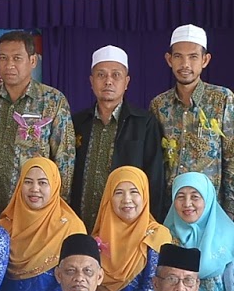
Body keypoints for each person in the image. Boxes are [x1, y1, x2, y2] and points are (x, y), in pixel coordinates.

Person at [0, 30, 75, 217]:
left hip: (31, 210)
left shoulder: (52, 101)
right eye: (3, 58)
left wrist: (57, 207)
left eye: (17, 58)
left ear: (32, 61)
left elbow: (64, 160)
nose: (9, 65)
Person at [151, 25, 234, 220]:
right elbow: (154, 162)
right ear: (169, 60)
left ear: (205, 60)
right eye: (178, 56)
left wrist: (230, 210)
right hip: (170, 211)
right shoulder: (159, 105)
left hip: (212, 209)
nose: (185, 64)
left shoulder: (222, 98)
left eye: (193, 57)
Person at [70, 45, 168, 223]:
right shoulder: (77, 122)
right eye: (101, 75)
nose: (108, 81)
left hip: (126, 224)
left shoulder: (144, 123)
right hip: (80, 222)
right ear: (91, 81)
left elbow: (154, 179)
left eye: (116, 75)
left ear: (127, 82)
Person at [163, 172, 234, 291]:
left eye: (195, 196)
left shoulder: (229, 238)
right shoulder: (165, 237)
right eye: (180, 196)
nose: (187, 203)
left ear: (208, 199)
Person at [0, 157, 87, 291]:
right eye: (28, 182)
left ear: (54, 185)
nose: (34, 189)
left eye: (42, 183)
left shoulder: (71, 228)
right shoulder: (5, 227)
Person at [93, 166, 174, 291]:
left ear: (144, 195)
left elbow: (151, 290)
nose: (127, 199)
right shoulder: (96, 240)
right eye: (118, 193)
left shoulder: (157, 236)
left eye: (134, 192)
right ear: (109, 198)